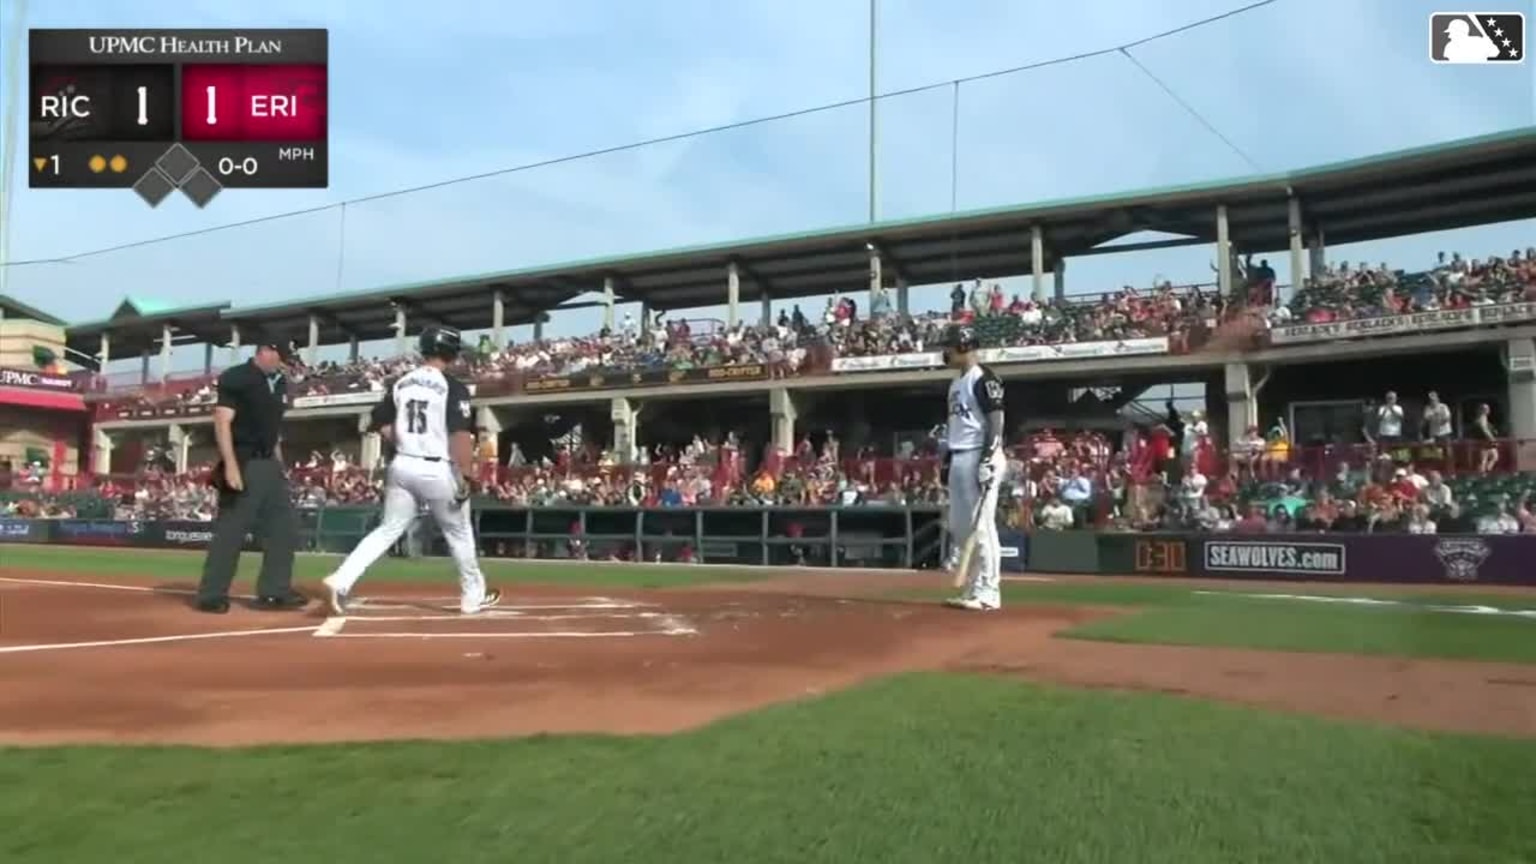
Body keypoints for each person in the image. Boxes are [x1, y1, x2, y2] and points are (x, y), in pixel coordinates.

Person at [320, 327, 499, 615]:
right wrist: (466, 474)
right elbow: (460, 435)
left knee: (388, 528)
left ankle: (340, 580)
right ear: (450, 352)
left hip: (402, 465)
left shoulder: (401, 383)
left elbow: (380, 422)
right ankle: (472, 597)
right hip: (436, 467)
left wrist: (405, 441)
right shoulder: (453, 386)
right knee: (459, 532)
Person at [193, 341, 306, 613]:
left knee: (284, 527)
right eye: (281, 356)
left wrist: (280, 466)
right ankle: (211, 594)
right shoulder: (237, 377)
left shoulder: (279, 383)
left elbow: (273, 430)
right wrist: (230, 465)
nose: (283, 363)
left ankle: (274, 591)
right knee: (232, 529)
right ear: (265, 350)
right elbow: (222, 422)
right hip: (243, 460)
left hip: (269, 463)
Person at [939, 324, 1006, 611]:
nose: (946, 350)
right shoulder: (955, 383)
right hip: (960, 454)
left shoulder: (983, 378)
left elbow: (996, 419)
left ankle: (990, 590)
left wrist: (989, 457)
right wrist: (947, 460)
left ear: (964, 346)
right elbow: (957, 426)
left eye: (950, 345)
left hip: (980, 454)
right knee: (961, 527)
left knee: (982, 526)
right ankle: (973, 588)